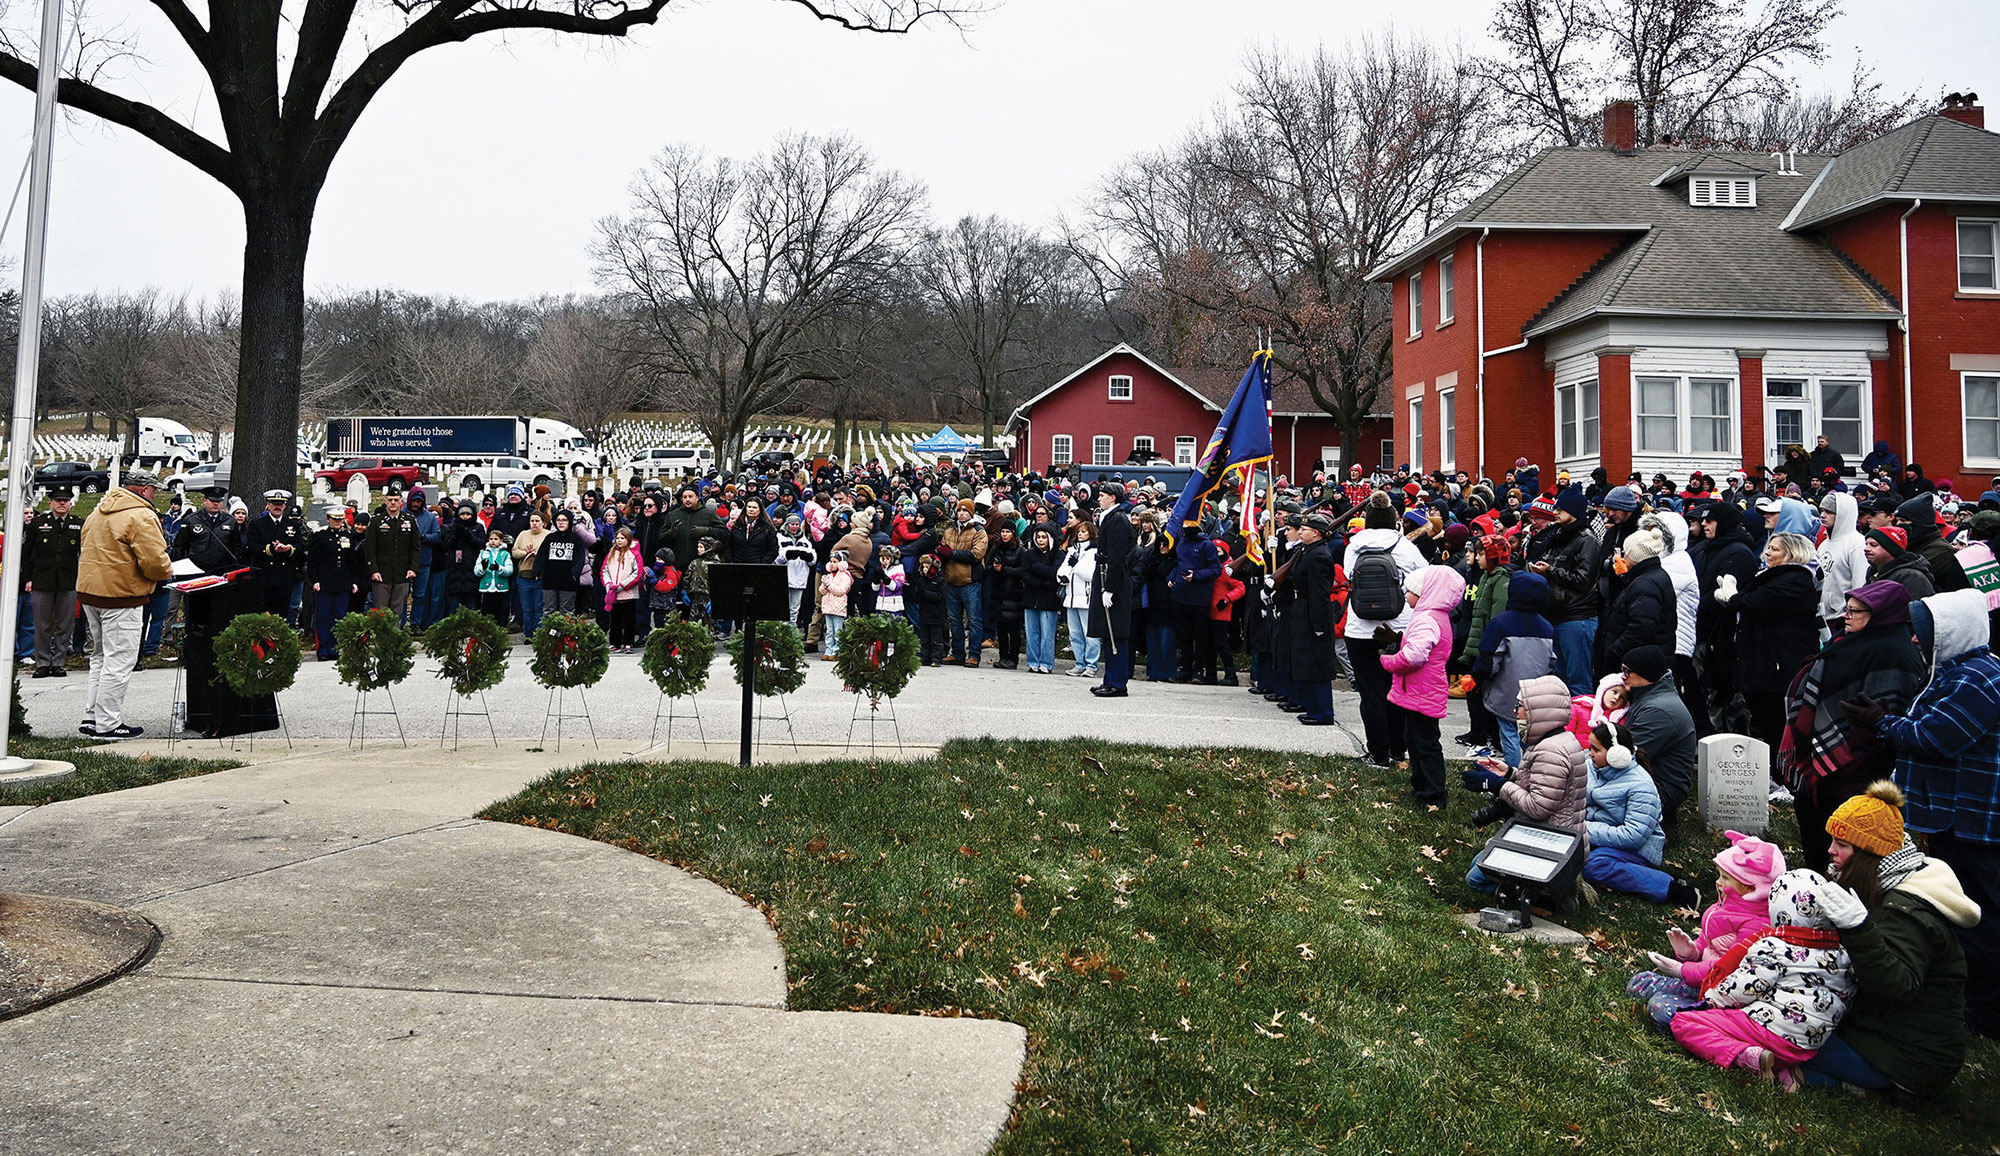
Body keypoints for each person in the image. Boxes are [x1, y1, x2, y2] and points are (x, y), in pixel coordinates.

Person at [1854, 588, 2000, 1039]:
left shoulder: (1979, 679)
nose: (1916, 642)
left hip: (1970, 817)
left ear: (1952, 634)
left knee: (1977, 911)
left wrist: (1882, 721)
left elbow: (1937, 737)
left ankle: (1985, 1011)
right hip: (1952, 811)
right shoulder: (1957, 671)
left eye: (1924, 633)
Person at [1803, 782, 1981, 1097]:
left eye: (1842, 844)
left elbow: (1895, 987)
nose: (1831, 850)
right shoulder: (1885, 886)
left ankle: (1863, 1084)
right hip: (1882, 1035)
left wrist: (1858, 928)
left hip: (1909, 1058)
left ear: (1869, 855)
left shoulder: (1905, 911)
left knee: (1781, 1039)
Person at [1780, 581, 1928, 874]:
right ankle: (1819, 879)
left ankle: (1843, 887)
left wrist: (1859, 739)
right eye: (1847, 609)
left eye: (1855, 611)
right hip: (1828, 759)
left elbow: (1891, 710)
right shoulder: (1847, 642)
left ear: (1880, 614)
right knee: (1813, 818)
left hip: (1859, 765)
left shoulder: (1895, 652)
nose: (1846, 615)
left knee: (1846, 830)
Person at [1668, 869, 1856, 1092]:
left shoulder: (1775, 947)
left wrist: (1710, 1002)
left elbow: (1742, 987)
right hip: (1807, 1046)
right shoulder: (1842, 954)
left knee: (1683, 1023)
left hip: (1771, 1030)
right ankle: (1781, 1070)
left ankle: (1747, 1058)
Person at [1627, 830, 1787, 1027]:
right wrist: (1690, 952)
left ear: (1752, 888)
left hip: (1723, 994)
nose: (1718, 882)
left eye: (1726, 878)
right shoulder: (1725, 904)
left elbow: (1730, 970)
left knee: (1660, 1007)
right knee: (1640, 981)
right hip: (1702, 981)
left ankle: (1702, 1020)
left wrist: (1681, 970)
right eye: (1720, 876)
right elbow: (1707, 942)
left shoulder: (1756, 924)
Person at [1715, 531, 1819, 789]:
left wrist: (1733, 597)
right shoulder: (1770, 576)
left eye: (1775, 549)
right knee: (1766, 717)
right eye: (1769, 547)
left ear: (1792, 553)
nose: (1768, 553)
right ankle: (1775, 773)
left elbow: (1757, 603)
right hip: (1761, 659)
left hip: (1779, 663)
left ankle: (1786, 778)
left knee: (1777, 720)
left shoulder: (1796, 580)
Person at [75, 469, 171, 739]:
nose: (154, 494)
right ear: (142, 489)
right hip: (121, 596)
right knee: (119, 661)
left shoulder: (98, 511)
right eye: (153, 489)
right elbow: (154, 562)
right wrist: (167, 571)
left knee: (100, 658)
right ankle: (108, 724)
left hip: (92, 593)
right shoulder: (141, 515)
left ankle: (92, 716)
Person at [1342, 493, 1426, 768]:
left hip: (1359, 629)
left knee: (1371, 694)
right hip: (1397, 629)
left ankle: (1377, 753)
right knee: (1396, 691)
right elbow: (1423, 579)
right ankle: (1397, 749)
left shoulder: (1354, 546)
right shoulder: (1406, 547)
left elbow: (1347, 576)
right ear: (1394, 521)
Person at [1579, 720, 1699, 904]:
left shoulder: (1641, 785)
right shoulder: (1591, 767)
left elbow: (1632, 836)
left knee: (1593, 865)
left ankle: (1671, 889)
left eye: (1595, 749)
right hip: (1599, 839)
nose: (1590, 753)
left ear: (1615, 754)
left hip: (1636, 850)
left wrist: (1584, 829)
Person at [1381, 565, 1462, 802]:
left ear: (1426, 592)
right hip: (1421, 689)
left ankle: (1433, 792)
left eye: (1410, 591)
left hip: (1422, 690)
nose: (1405, 595)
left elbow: (1414, 657)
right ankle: (1421, 784)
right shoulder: (1433, 616)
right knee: (1414, 739)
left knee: (1425, 743)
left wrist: (1389, 660)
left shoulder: (1427, 619)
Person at [1472, 571, 1556, 769]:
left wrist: (1478, 677)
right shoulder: (1547, 627)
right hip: (1536, 693)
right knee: (1530, 735)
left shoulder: (1501, 623)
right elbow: (1551, 662)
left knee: (1509, 732)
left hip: (1505, 690)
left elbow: (1490, 658)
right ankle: (1531, 771)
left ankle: (1514, 774)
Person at [1527, 488, 1601, 695]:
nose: (1555, 512)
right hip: (1555, 615)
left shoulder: (1587, 540)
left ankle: (1583, 726)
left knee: (1578, 682)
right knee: (1558, 682)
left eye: (1560, 508)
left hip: (1576, 617)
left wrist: (1550, 571)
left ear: (1574, 511)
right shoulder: (1558, 536)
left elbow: (1583, 579)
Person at [1619, 645, 1697, 818]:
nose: (1623, 677)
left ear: (1646, 673)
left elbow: (1624, 756)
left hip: (1660, 791)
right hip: (1649, 782)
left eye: (1627, 672)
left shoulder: (1659, 710)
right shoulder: (1651, 698)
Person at [1595, 525, 1672, 679]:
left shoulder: (1646, 584)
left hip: (1636, 665)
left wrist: (1614, 651)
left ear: (1635, 555)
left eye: (1626, 553)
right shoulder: (1650, 577)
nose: (1623, 557)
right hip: (1641, 661)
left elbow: (1642, 628)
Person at [23, 487, 82, 679]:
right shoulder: (38, 524)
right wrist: (28, 579)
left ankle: (58, 663)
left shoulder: (78, 525)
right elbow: (26, 553)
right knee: (42, 624)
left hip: (68, 581)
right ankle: (42, 663)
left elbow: (84, 554)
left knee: (65, 625)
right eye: (58, 500)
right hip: (42, 580)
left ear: (71, 503)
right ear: (51, 503)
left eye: (65, 500)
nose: (62, 503)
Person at [1088, 482, 1138, 697]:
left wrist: (1110, 588)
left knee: (1115, 632)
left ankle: (1118, 683)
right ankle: (1110, 679)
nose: (1099, 498)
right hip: (1107, 574)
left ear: (1113, 497)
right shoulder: (1110, 517)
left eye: (1103, 495)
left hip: (1114, 579)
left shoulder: (1118, 519)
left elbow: (1117, 557)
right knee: (1108, 633)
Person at [307, 510, 367, 660]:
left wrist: (354, 581)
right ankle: (323, 649)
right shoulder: (320, 537)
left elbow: (351, 561)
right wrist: (314, 580)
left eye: (340, 519)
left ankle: (334, 648)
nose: (338, 522)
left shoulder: (348, 537)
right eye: (335, 519)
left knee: (339, 616)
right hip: (325, 583)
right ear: (328, 519)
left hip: (342, 583)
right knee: (323, 616)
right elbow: (313, 562)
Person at [1168, 524, 1223, 682]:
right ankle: (1185, 669)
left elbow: (1216, 569)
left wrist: (1197, 575)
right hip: (1181, 595)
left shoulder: (1207, 545)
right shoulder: (1181, 543)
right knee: (1184, 636)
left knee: (1200, 636)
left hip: (1200, 597)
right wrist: (1171, 578)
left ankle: (1199, 670)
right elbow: (1179, 565)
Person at [245, 489, 307, 622]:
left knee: (282, 613)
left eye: (280, 504)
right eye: (274, 503)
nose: (277, 507)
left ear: (285, 506)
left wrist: (288, 548)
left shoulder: (292, 525)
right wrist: (271, 549)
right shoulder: (257, 524)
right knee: (264, 613)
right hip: (264, 575)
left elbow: (300, 547)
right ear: (268, 505)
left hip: (284, 575)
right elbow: (253, 547)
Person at [941, 498, 989, 668]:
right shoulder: (950, 530)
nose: (961, 513)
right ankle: (957, 653)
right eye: (959, 511)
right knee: (954, 620)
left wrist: (951, 553)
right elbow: (942, 549)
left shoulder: (978, 531)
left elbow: (976, 555)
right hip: (951, 580)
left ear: (971, 513)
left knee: (974, 620)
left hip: (970, 582)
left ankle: (974, 655)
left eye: (965, 511)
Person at [364, 484, 420, 623]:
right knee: (381, 612)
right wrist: (374, 570)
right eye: (390, 500)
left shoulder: (409, 521)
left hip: (402, 573)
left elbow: (416, 547)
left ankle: (394, 642)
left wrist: (413, 568)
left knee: (398, 611)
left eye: (396, 499)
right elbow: (370, 549)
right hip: (382, 573)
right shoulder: (377, 522)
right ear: (385, 501)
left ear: (401, 502)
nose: (393, 503)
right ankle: (380, 643)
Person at [1815, 492, 1868, 636]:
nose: (1823, 515)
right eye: (1822, 510)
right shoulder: (1824, 544)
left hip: (1842, 620)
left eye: (1829, 511)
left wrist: (1852, 613)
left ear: (1844, 514)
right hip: (1822, 617)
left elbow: (1860, 584)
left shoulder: (1857, 544)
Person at [1057, 520, 1099, 678]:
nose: (1080, 534)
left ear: (1091, 533)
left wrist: (1076, 566)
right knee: (1075, 634)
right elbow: (1064, 568)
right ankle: (1079, 663)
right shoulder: (1072, 549)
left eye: (1084, 531)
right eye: (1079, 531)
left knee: (1090, 634)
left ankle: (1091, 665)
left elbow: (1091, 576)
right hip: (1071, 597)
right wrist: (1062, 577)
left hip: (1086, 598)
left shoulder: (1094, 551)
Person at [1021, 523, 1063, 674]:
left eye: (1043, 537)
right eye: (1038, 537)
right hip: (1031, 596)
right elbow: (1025, 573)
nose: (1040, 540)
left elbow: (1055, 574)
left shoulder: (1058, 554)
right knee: (1032, 632)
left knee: (1047, 634)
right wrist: (1038, 581)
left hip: (1049, 598)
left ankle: (1046, 662)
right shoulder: (1029, 554)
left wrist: (1037, 569)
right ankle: (1033, 661)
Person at [437, 502, 486, 619]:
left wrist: (468, 535)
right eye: (462, 514)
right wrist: (457, 534)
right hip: (455, 569)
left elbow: (482, 543)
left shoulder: (477, 527)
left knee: (471, 604)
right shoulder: (452, 527)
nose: (465, 516)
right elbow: (447, 544)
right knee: (454, 605)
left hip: (472, 568)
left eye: (468, 514)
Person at [599, 525, 643, 652]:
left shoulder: (634, 554)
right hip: (614, 594)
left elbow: (637, 573)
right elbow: (604, 571)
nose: (619, 540)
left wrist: (623, 585)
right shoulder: (611, 554)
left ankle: (629, 642)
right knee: (615, 620)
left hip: (628, 593)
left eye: (622, 538)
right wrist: (609, 584)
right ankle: (615, 643)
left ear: (628, 540)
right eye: (617, 538)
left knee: (629, 620)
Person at [536, 508, 589, 615]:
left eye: (564, 520)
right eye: (558, 520)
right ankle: (548, 632)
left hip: (568, 581)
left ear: (570, 522)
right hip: (550, 580)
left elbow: (580, 558)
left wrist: (575, 574)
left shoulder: (576, 539)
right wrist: (537, 571)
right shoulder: (550, 538)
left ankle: (565, 632)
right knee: (548, 611)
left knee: (567, 612)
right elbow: (541, 555)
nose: (561, 522)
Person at [1861, 525, 1934, 599]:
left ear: (1891, 549)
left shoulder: (1912, 577)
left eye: (1874, 545)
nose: (1866, 549)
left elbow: (1917, 608)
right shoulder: (1874, 573)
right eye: (1866, 544)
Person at [511, 512, 551, 637]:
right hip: (524, 575)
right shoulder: (523, 534)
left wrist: (537, 555)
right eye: (532, 521)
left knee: (538, 607)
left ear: (543, 523)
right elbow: (514, 551)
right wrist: (525, 553)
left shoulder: (548, 535)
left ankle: (538, 634)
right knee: (527, 608)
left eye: (537, 521)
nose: (534, 523)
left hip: (541, 576)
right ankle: (528, 634)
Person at [473, 527, 514, 627]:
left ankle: (501, 629)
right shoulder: (483, 553)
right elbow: (476, 571)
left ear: (501, 540)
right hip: (487, 588)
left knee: (501, 611)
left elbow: (509, 570)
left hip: (501, 588)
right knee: (487, 611)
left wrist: (499, 568)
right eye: (491, 539)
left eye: (496, 539)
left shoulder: (505, 554)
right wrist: (483, 568)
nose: (493, 541)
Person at [819, 553, 853, 657]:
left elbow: (840, 591)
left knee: (837, 631)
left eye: (835, 562)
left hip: (838, 608)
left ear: (842, 564)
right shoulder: (829, 576)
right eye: (831, 562)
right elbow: (821, 591)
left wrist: (829, 584)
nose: (832, 564)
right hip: (828, 608)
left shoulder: (845, 576)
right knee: (829, 631)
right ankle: (828, 650)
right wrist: (825, 584)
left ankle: (837, 650)